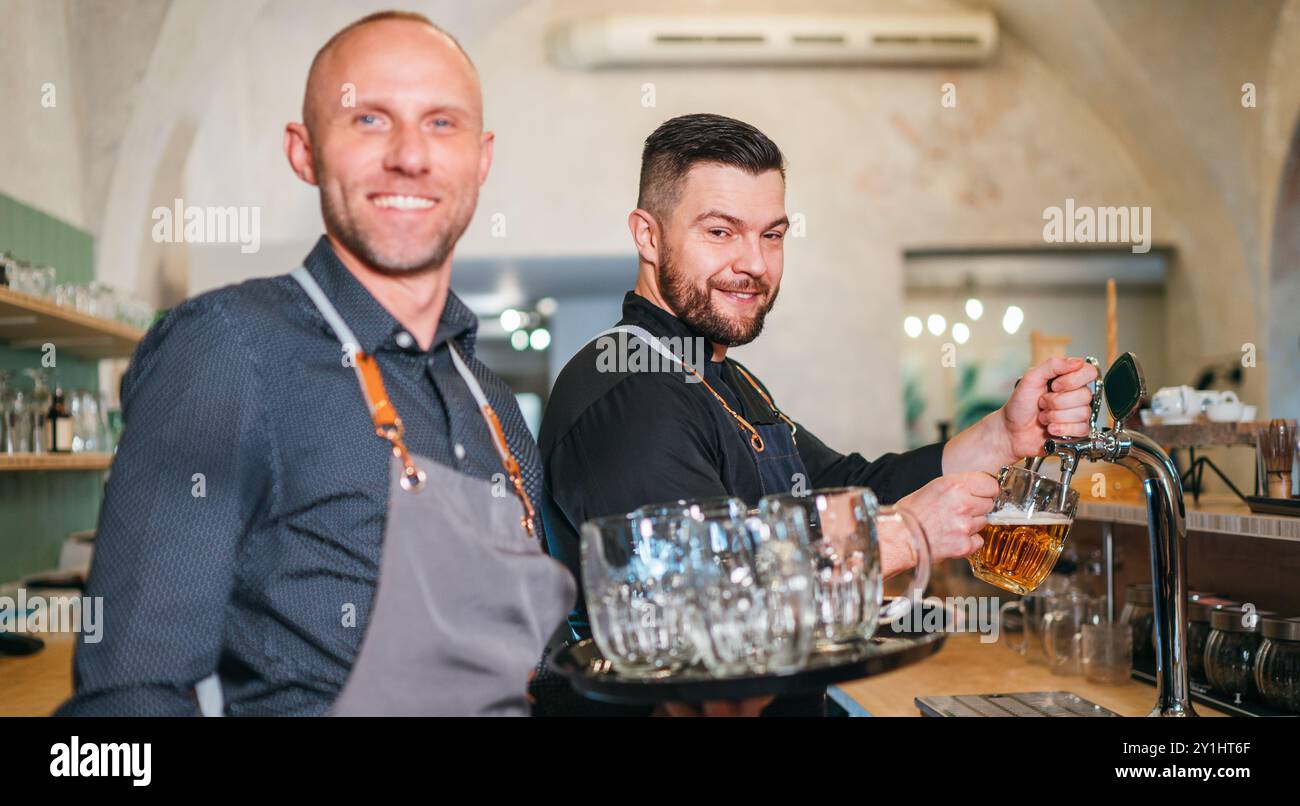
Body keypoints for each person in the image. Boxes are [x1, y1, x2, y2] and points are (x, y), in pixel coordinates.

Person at [57, 11, 573, 717]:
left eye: (442, 123)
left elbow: (530, 673)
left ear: (480, 159)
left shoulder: (492, 404)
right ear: (304, 152)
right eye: (369, 120)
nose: (411, 155)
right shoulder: (228, 350)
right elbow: (127, 706)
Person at [538, 113, 1099, 716]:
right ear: (647, 236)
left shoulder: (720, 376)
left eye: (772, 235)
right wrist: (901, 540)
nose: (754, 263)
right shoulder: (628, 397)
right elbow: (709, 617)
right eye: (721, 232)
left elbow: (851, 489)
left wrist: (1004, 435)